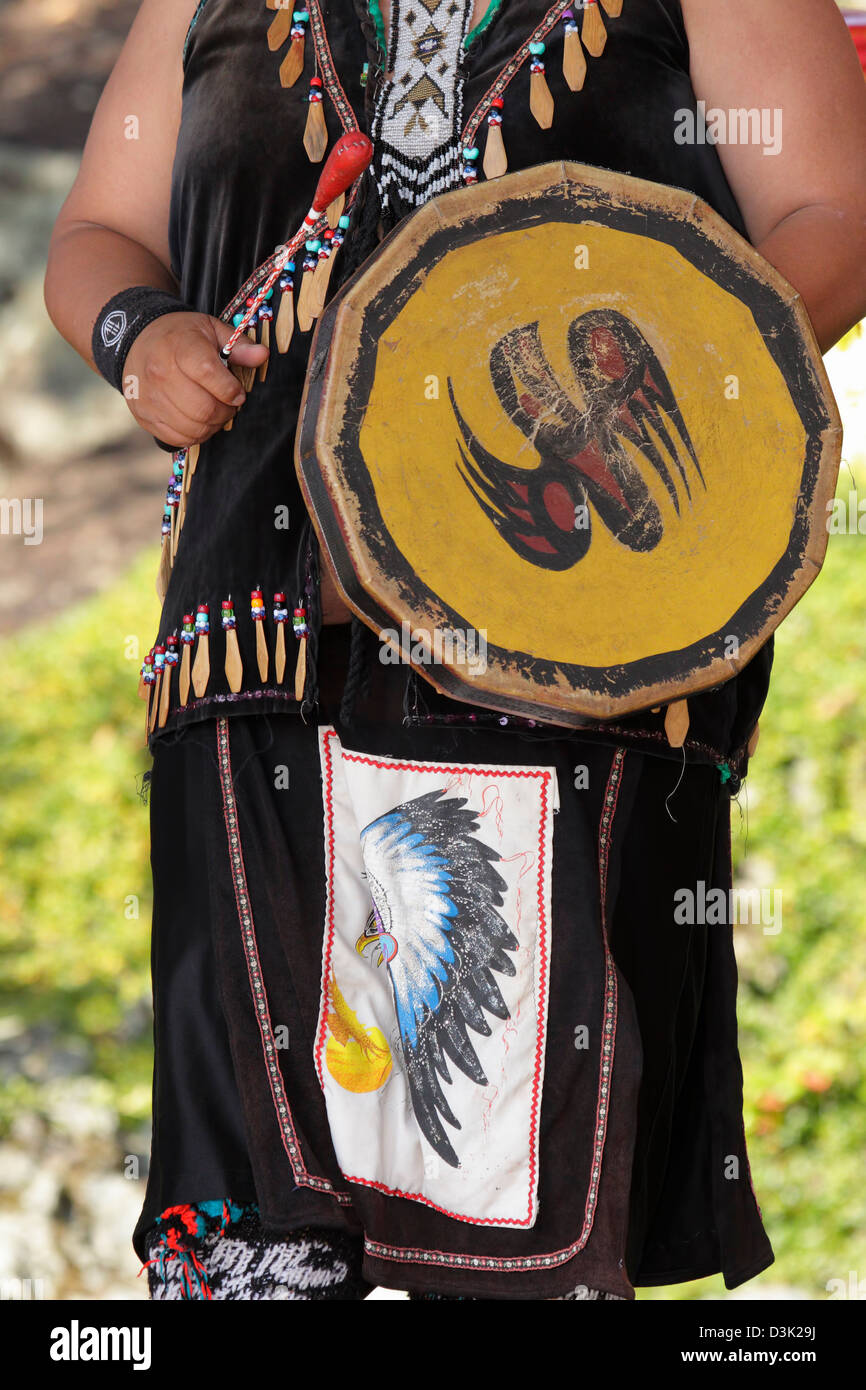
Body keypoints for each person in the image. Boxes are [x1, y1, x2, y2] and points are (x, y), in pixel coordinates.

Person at [44, 0, 866, 1301]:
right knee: (247, 1231)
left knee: (508, 1222)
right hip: (255, 650)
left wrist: (652, 372)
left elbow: (830, 216)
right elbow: (97, 233)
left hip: (568, 643)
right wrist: (136, 335)